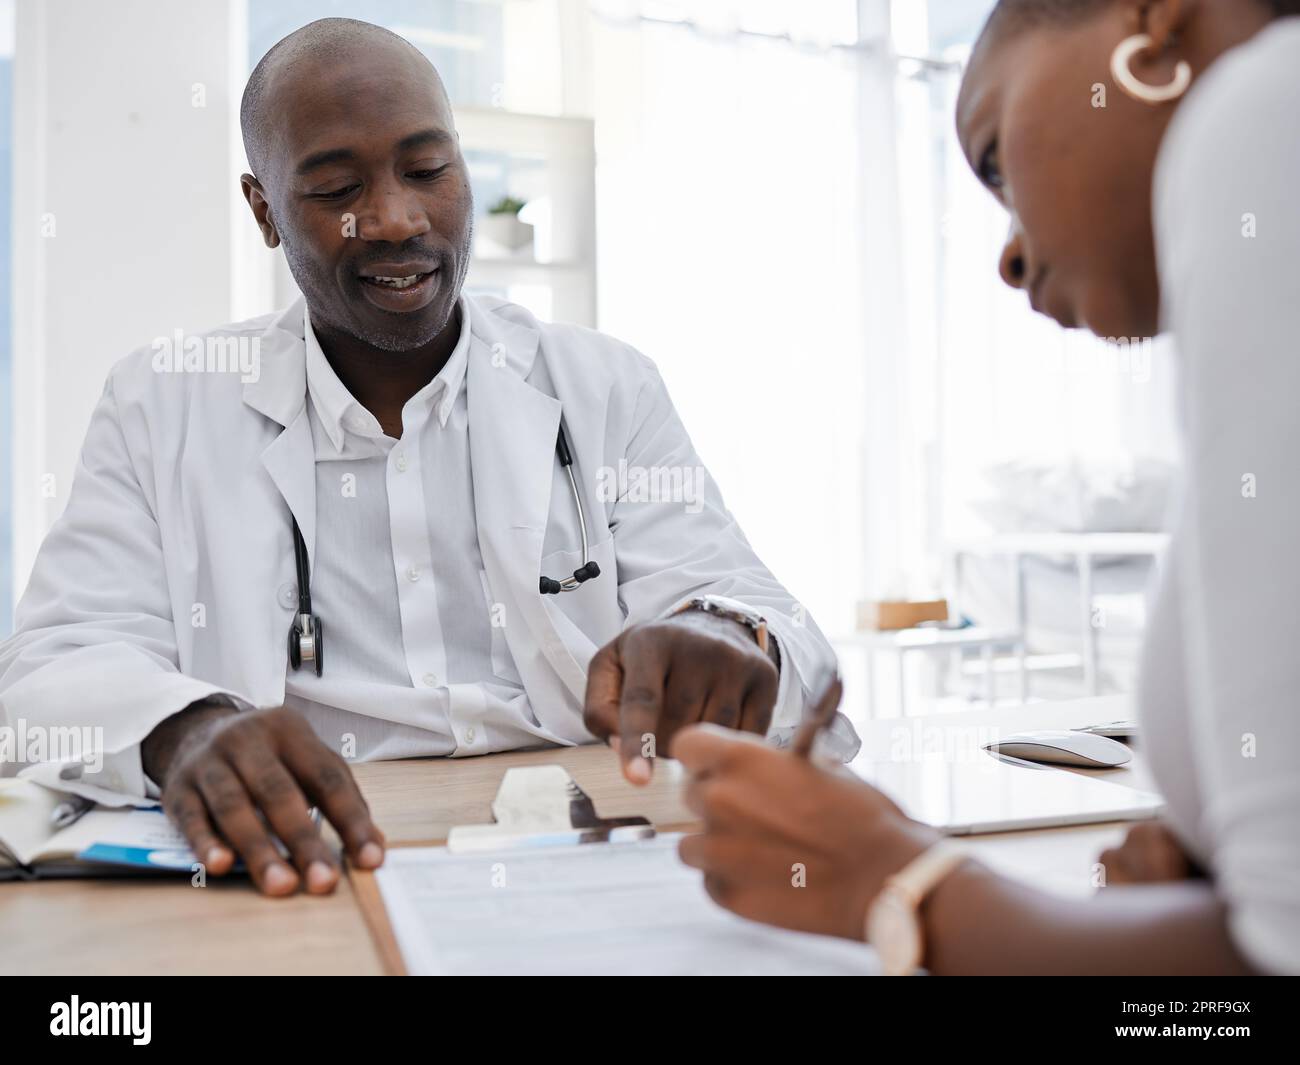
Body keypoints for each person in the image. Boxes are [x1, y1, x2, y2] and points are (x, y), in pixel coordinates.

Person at [0, 18, 856, 897]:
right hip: (312, 859)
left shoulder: (604, 386)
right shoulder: (163, 401)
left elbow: (770, 620)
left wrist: (725, 633)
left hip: (594, 844)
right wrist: (182, 727)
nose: (396, 219)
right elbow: (53, 667)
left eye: (427, 170)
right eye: (336, 186)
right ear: (264, 211)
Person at [671, 0, 1300, 974]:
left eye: (997, 162)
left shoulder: (1265, 111)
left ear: (1155, 17)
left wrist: (889, 881)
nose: (1007, 254)